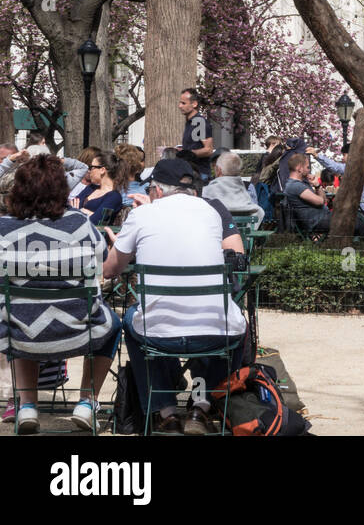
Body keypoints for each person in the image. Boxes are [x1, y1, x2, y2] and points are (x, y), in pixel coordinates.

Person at [102, 158, 246, 434]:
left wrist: (116, 244)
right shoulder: (211, 211)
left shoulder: (141, 215)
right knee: (233, 322)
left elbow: (110, 271)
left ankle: (165, 412)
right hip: (217, 332)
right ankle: (203, 407)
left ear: (156, 190)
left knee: (132, 321)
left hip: (158, 333)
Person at [0, 155, 122, 434]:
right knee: (114, 324)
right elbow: (103, 263)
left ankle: (28, 405)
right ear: (62, 189)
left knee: (21, 313)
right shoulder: (80, 224)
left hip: (19, 332)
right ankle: (87, 402)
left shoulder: (3, 228)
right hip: (78, 330)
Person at [204, 151, 265, 227]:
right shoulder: (245, 192)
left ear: (218, 170)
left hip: (216, 235)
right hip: (242, 236)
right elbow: (260, 212)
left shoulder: (206, 192)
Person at [283, 153, 332, 235]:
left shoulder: (300, 183)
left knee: (354, 217)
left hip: (322, 218)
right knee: (355, 221)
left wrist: (317, 186)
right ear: (299, 168)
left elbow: (324, 200)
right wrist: (317, 186)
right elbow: (320, 201)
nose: (309, 170)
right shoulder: (295, 186)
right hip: (317, 221)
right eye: (307, 167)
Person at [75, 151, 128, 226]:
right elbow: (70, 207)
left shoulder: (114, 197)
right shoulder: (90, 188)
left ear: (102, 170)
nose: (89, 171)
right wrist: (87, 213)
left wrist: (77, 212)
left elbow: (95, 221)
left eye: (92, 167)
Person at [177, 87, 214, 182]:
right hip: (190, 173)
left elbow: (208, 150)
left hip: (200, 175)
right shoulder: (191, 122)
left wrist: (188, 154)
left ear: (194, 104)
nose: (179, 106)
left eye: (183, 103)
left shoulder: (199, 122)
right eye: (180, 102)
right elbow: (195, 146)